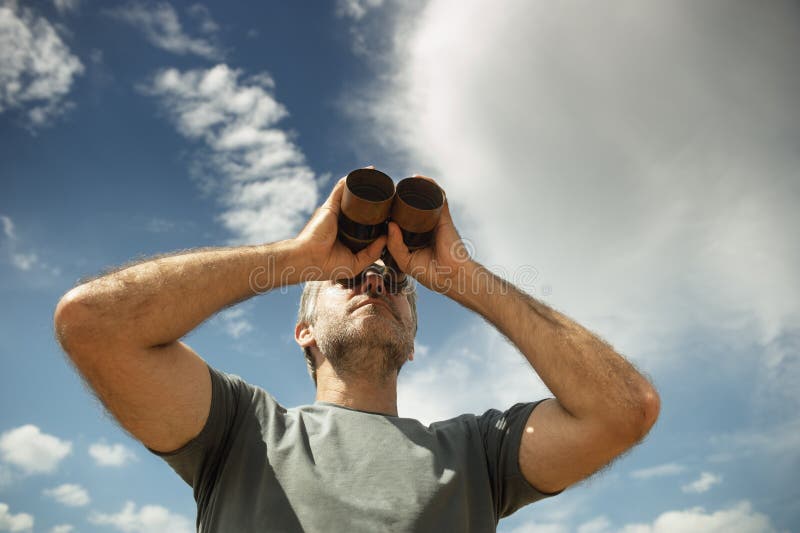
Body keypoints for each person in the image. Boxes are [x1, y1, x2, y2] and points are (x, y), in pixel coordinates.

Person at [54, 172, 660, 532]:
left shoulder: (479, 454)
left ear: (415, 343)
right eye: (347, 279)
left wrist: (460, 274)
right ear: (304, 332)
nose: (376, 283)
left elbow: (624, 408)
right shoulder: (242, 433)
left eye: (396, 284)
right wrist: (296, 259)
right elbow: (93, 324)